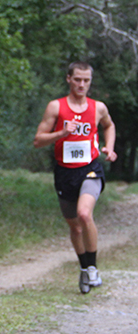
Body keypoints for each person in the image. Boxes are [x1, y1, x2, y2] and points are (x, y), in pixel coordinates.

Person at [33, 61, 117, 294]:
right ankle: (84, 267)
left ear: (90, 82)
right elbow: (38, 140)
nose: (82, 84)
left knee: (84, 214)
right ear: (68, 79)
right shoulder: (55, 107)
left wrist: (109, 147)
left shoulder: (98, 107)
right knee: (75, 226)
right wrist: (61, 133)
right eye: (77, 79)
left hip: (90, 168)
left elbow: (109, 126)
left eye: (86, 80)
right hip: (64, 172)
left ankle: (93, 268)